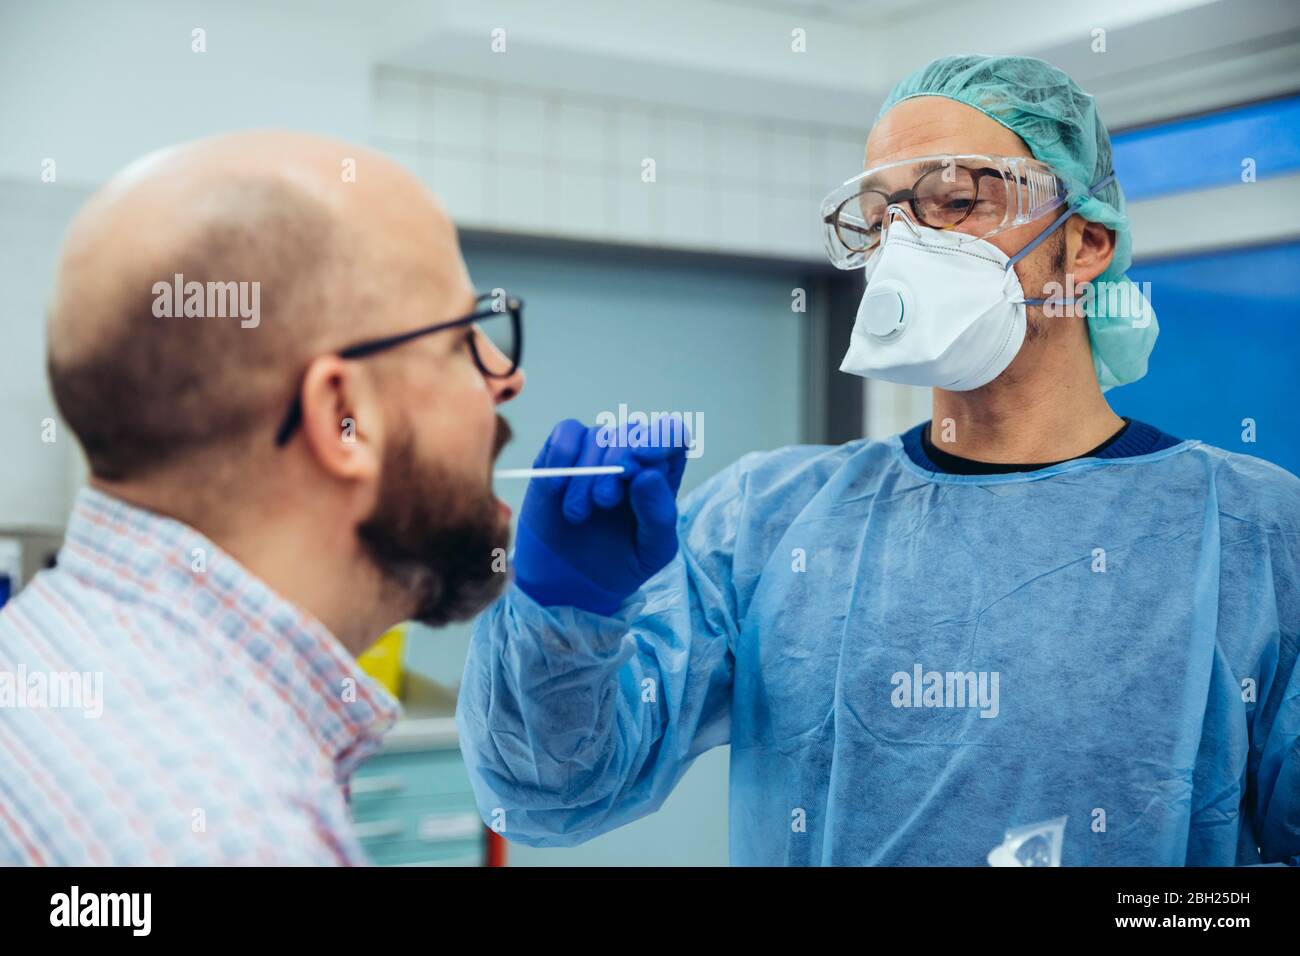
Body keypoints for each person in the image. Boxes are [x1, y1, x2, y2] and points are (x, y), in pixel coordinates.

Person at [456, 55, 1300, 866]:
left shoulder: (1253, 533)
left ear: (1081, 246)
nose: (904, 244)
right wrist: (566, 613)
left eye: (955, 198)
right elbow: (550, 791)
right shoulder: (770, 521)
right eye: (878, 215)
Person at [0, 130, 524, 864]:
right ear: (344, 416)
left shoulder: (33, 654)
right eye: (463, 335)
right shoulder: (246, 838)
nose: (505, 376)